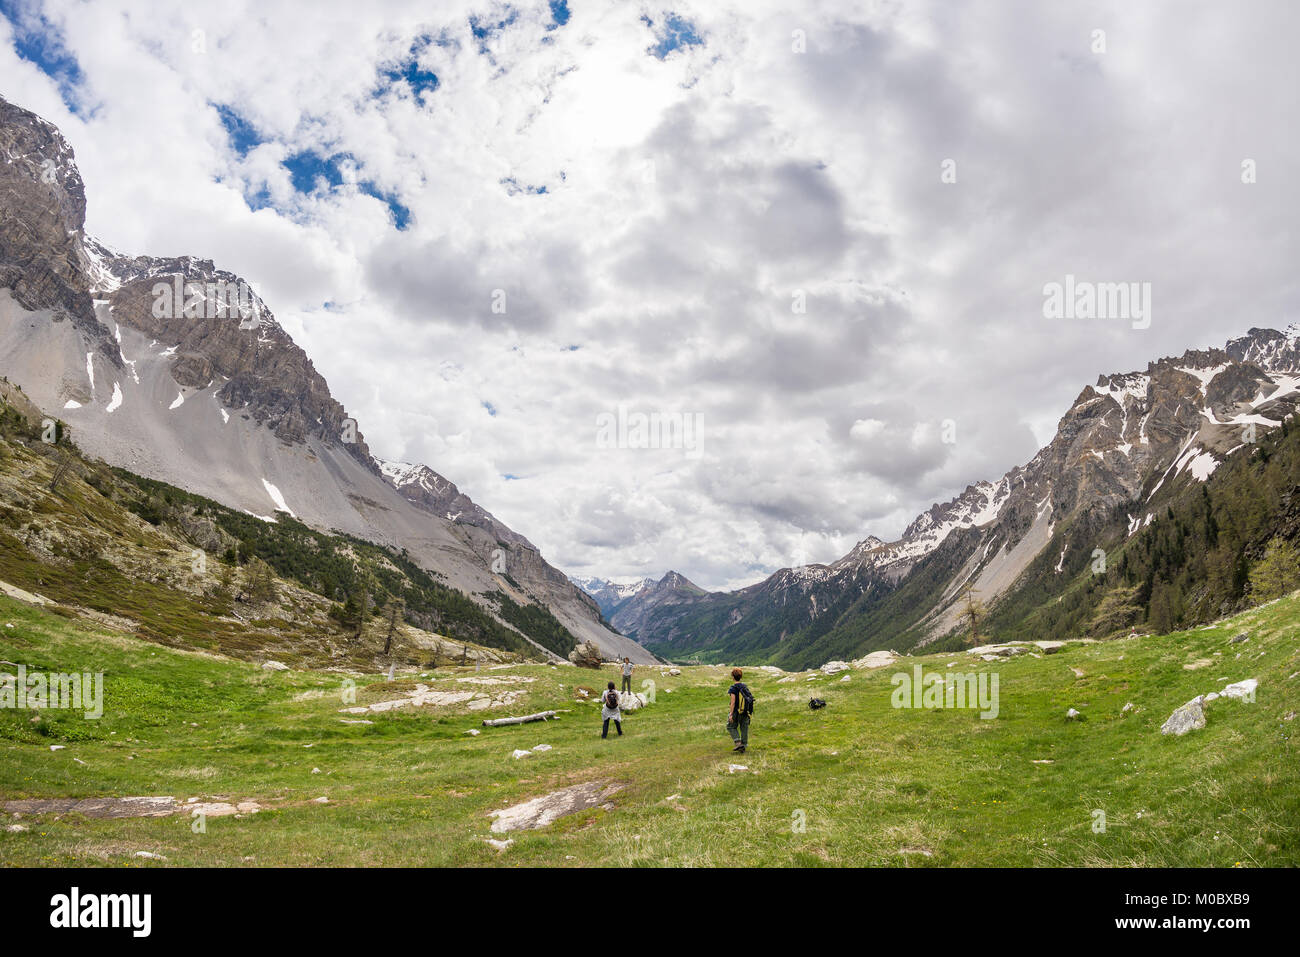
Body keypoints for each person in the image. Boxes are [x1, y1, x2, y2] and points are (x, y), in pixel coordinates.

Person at [727, 667, 753, 753]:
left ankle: (738, 743)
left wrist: (731, 714)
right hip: (745, 711)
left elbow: (733, 702)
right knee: (744, 728)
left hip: (736, 711)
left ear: (733, 677)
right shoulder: (744, 687)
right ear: (740, 676)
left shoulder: (733, 688)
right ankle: (744, 746)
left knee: (730, 726)